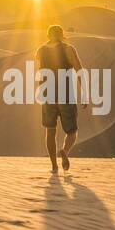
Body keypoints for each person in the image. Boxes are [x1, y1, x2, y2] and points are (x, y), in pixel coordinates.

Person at [35, 25, 82, 172]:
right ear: (62, 35)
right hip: (65, 95)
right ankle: (65, 151)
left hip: (47, 95)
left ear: (48, 35)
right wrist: (85, 93)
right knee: (72, 131)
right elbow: (79, 70)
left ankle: (54, 166)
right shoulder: (68, 49)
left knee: (50, 131)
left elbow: (39, 63)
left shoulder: (41, 50)